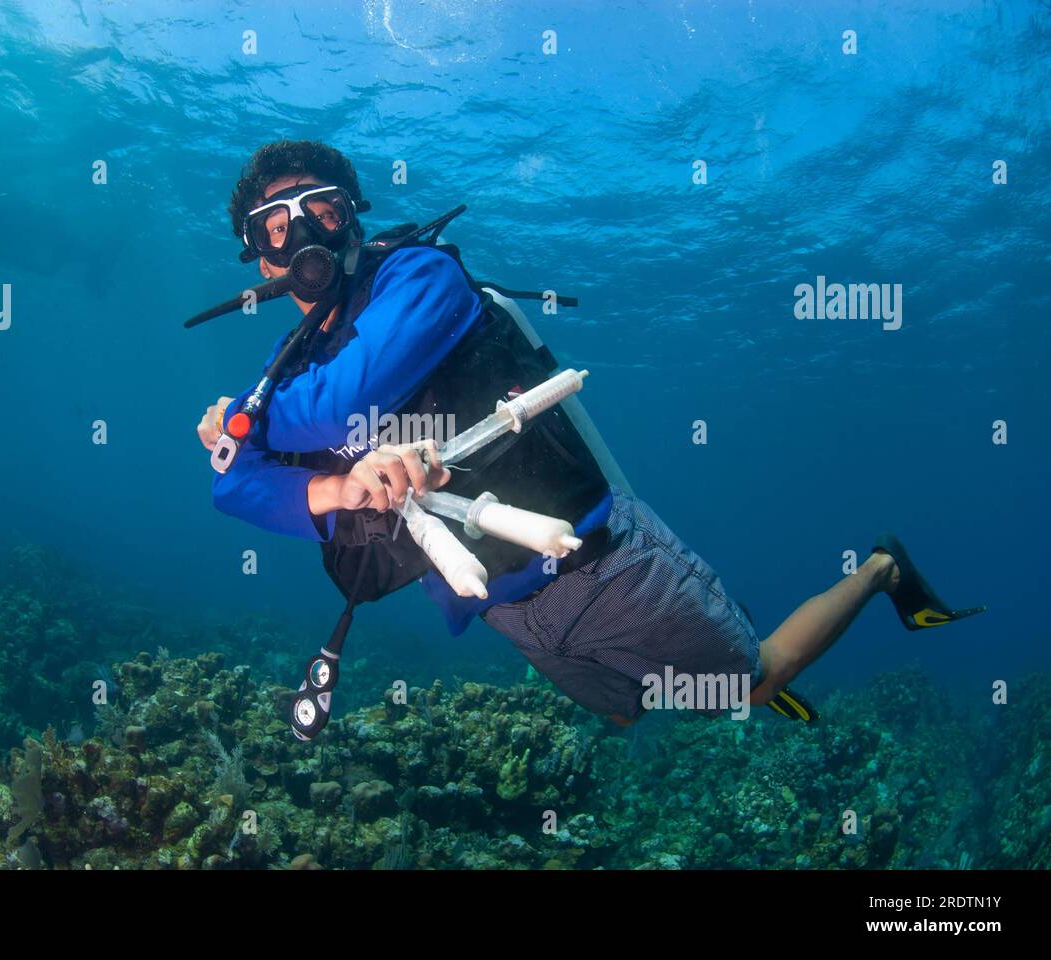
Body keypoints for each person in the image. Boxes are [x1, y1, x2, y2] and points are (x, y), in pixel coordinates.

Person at [194, 139, 984, 731]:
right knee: (634, 715)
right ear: (258, 261)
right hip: (505, 610)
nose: (302, 236)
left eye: (322, 209)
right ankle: (724, 636)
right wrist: (333, 487)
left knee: (749, 687)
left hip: (603, 566)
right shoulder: (287, 367)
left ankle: (881, 569)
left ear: (354, 216)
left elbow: (334, 409)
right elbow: (231, 485)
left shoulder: (420, 277)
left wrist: (247, 421)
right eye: (274, 226)